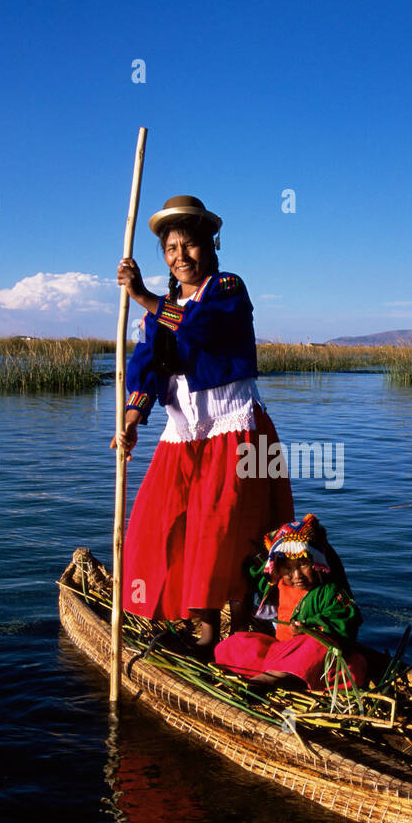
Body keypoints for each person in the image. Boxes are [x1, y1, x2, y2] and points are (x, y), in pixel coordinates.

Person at [111, 195, 294, 653]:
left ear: (211, 244)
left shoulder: (228, 289)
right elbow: (147, 367)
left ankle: (231, 632)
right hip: (183, 434)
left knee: (229, 527)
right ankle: (191, 622)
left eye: (188, 245)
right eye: (171, 249)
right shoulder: (163, 306)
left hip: (236, 429)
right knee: (163, 523)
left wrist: (142, 298)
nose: (179, 257)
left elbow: (200, 328)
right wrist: (132, 418)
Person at [214, 514, 368, 694]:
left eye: (303, 564)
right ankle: (281, 675)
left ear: (317, 561)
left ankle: (277, 677)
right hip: (280, 651)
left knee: (317, 645)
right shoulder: (278, 585)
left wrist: (311, 628)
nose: (297, 576)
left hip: (316, 660)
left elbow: (348, 620)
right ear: (277, 568)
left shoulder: (329, 592)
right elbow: (257, 572)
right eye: (288, 568)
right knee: (235, 643)